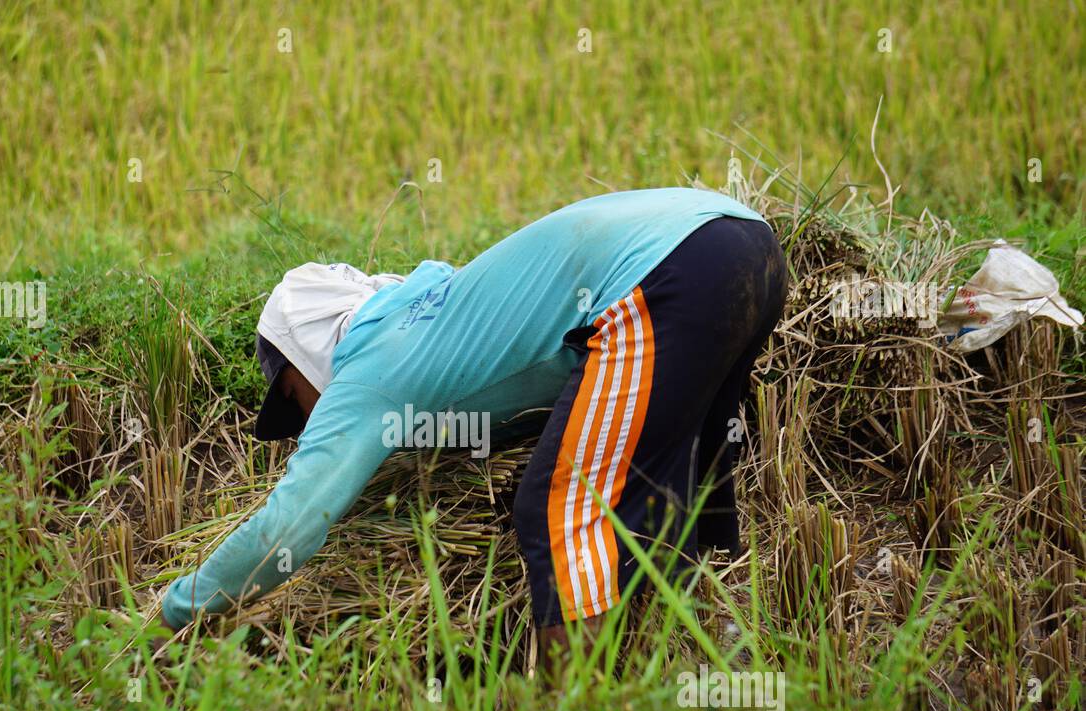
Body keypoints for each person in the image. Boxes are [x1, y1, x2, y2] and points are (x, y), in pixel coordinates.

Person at [156, 188, 787, 677]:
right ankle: (682, 684)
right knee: (659, 497)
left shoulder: (365, 376)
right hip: (740, 240)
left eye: (294, 401)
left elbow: (284, 530)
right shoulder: (425, 303)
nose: (304, 425)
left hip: (664, 271)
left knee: (557, 507)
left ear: (308, 356)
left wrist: (171, 614)